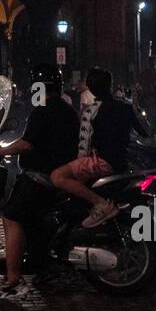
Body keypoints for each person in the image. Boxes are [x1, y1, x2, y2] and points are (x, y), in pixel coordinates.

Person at [0, 65, 79, 299]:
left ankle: (13, 277)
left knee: (11, 216)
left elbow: (27, 143)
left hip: (42, 175)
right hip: (58, 172)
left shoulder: (42, 110)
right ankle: (41, 263)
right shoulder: (65, 108)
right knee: (31, 219)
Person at [53, 67, 145, 228]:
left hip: (101, 162)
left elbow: (84, 147)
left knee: (57, 176)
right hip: (121, 161)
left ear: (90, 86)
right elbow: (145, 131)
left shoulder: (91, 111)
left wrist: (77, 165)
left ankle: (101, 204)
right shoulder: (125, 107)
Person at [136, 55, 156, 134]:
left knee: (148, 116)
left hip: (147, 98)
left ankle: (149, 132)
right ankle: (155, 134)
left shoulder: (143, 73)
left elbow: (138, 86)